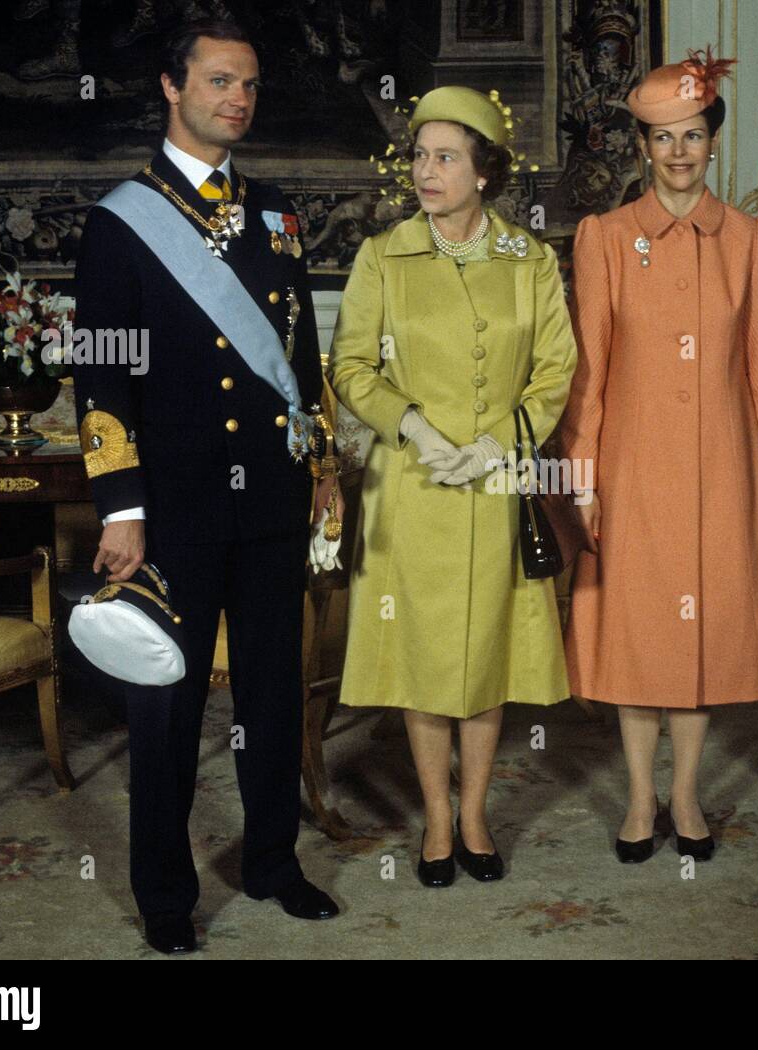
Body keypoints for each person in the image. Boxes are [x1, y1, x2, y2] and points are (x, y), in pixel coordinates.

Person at [72, 17, 341, 954]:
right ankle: (164, 896)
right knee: (168, 710)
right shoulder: (119, 223)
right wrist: (123, 509)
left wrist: (322, 469)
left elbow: (300, 357)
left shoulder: (274, 211)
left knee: (272, 694)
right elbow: (100, 376)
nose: (239, 99)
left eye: (251, 85)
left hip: (270, 499)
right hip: (175, 512)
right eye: (221, 81)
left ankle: (272, 862)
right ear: (172, 87)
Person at [329, 86, 577, 888]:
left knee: (484, 656)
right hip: (414, 488)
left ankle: (476, 814)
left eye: (444, 158)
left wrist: (500, 443)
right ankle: (437, 816)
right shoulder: (383, 256)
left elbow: (555, 371)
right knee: (425, 656)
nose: (425, 173)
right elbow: (351, 367)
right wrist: (414, 428)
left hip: (497, 486)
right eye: (419, 157)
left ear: (483, 172)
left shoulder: (528, 261)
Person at [559, 49, 758, 863]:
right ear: (644, 150)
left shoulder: (754, 241)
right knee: (641, 632)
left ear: (712, 142)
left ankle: (685, 797)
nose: (679, 152)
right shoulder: (607, 238)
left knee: (700, 642)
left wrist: (757, 476)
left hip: (722, 466)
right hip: (634, 465)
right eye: (663, 139)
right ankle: (639, 798)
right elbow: (589, 370)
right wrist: (582, 476)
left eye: (692, 135)